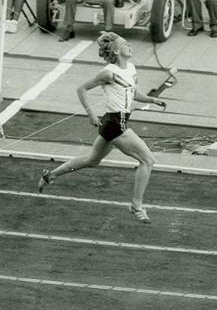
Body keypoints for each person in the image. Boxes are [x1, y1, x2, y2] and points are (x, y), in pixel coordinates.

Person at [38, 32, 166, 222]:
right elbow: (81, 89)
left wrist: (152, 99)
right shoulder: (108, 73)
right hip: (115, 124)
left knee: (92, 160)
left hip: (113, 122)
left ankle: (51, 175)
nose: (130, 45)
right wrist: (90, 114)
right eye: (125, 44)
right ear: (116, 50)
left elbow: (133, 93)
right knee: (148, 160)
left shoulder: (130, 68)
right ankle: (136, 206)